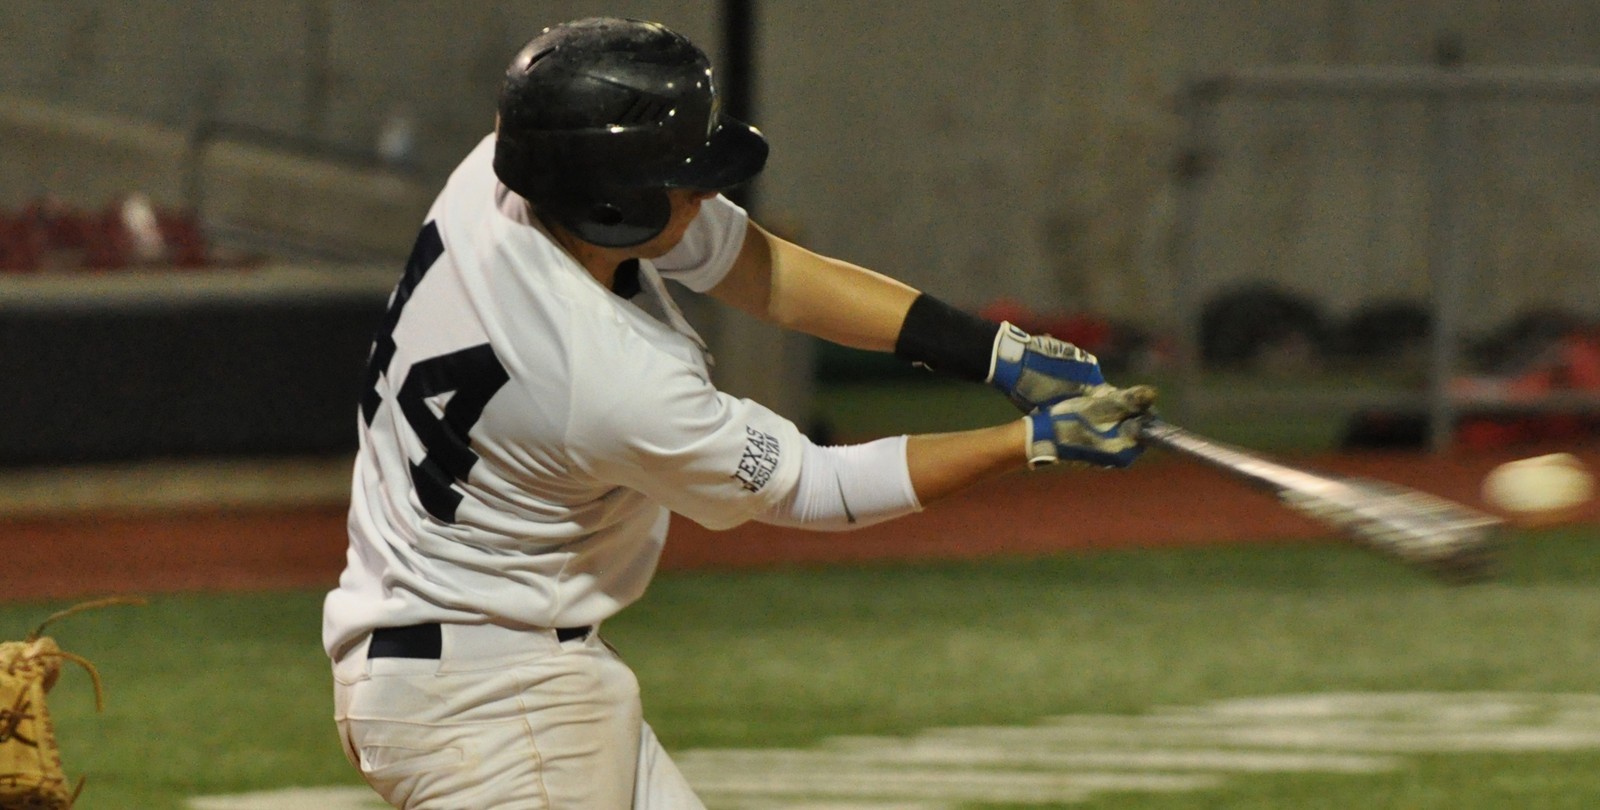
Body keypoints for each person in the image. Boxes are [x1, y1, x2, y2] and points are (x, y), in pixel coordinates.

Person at [322, 16, 1154, 810]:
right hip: (493, 704)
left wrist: (991, 351)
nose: (705, 192)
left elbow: (766, 273)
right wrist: (1030, 442)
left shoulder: (505, 176)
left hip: (470, 673)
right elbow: (818, 488)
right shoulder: (605, 381)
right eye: (682, 180)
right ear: (617, 204)